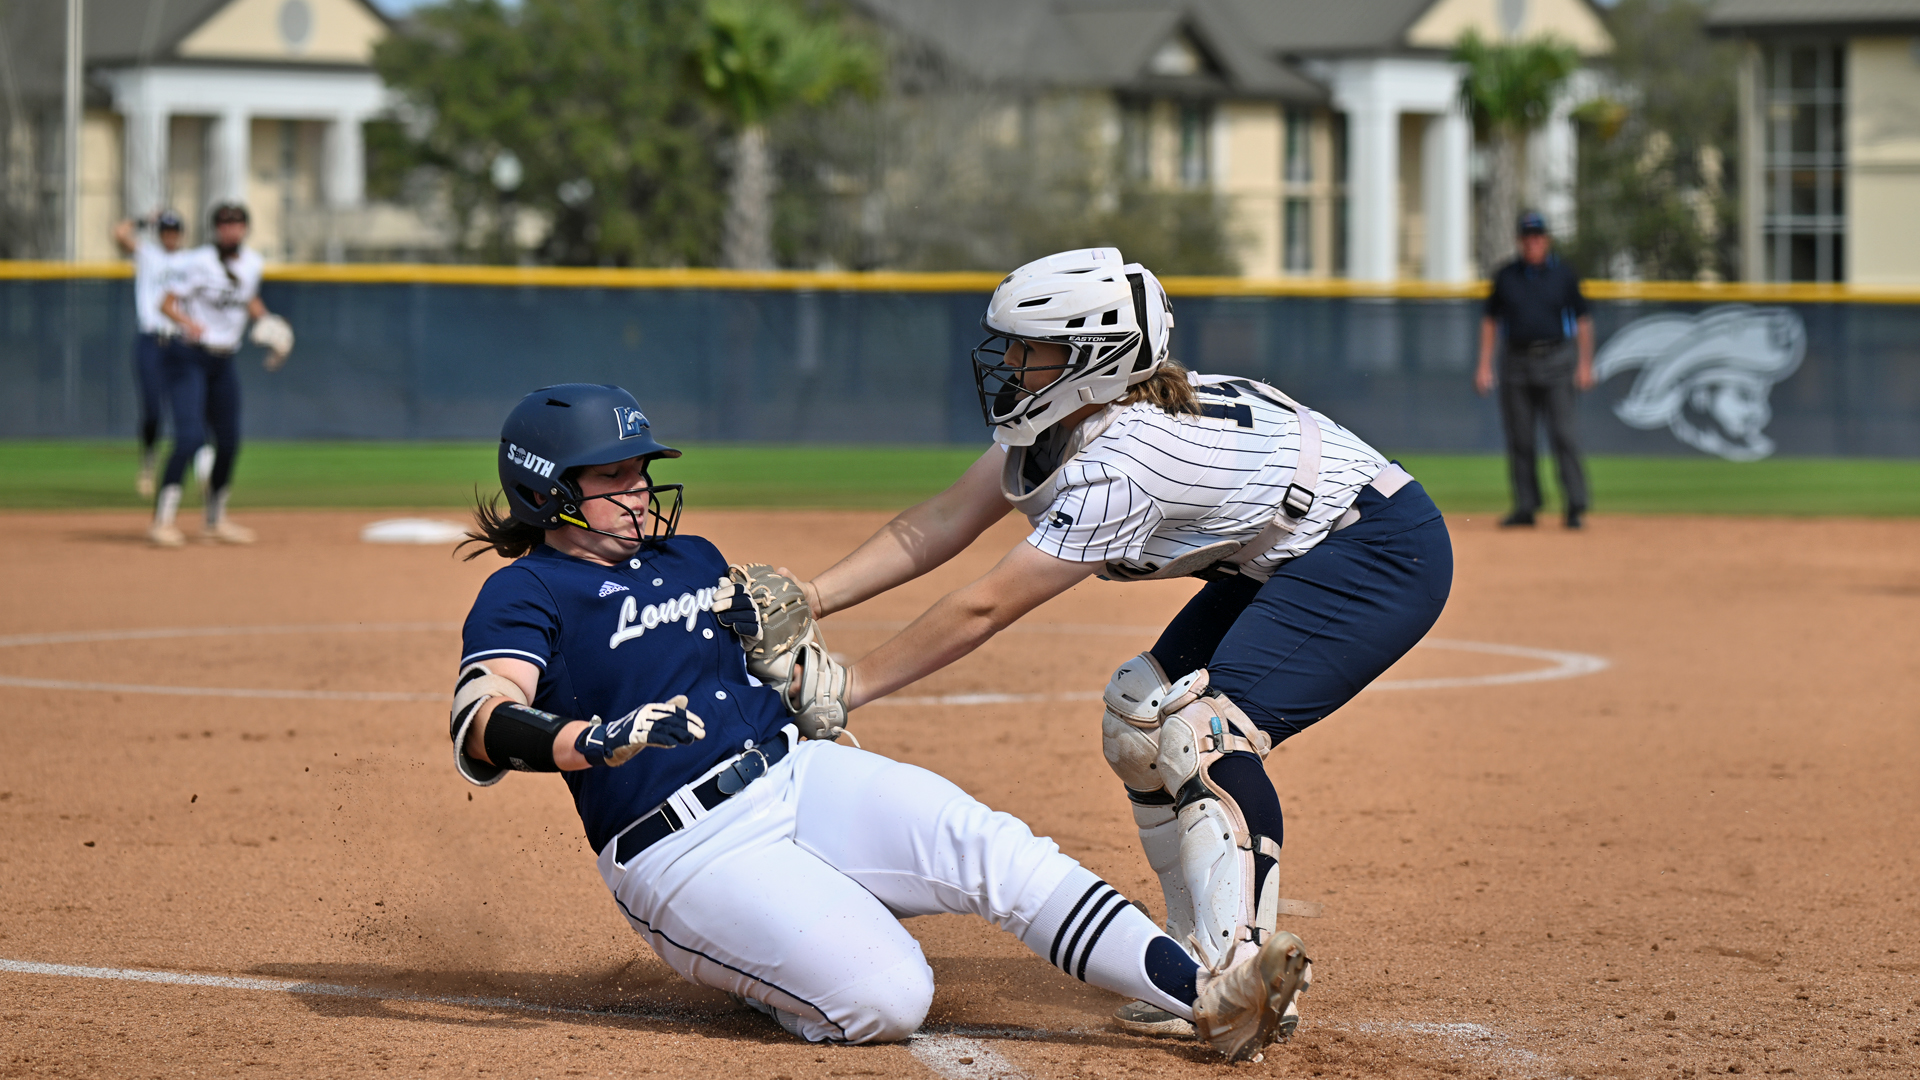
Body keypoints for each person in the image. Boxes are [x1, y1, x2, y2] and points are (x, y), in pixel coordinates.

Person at [447, 382, 1311, 1061]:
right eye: (611, 478)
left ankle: (1210, 996)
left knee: (996, 849)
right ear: (548, 490)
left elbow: (762, 669)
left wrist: (789, 668)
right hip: (683, 848)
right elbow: (482, 717)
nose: (639, 491)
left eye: (640, 471)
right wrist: (585, 740)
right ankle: (766, 971)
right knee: (890, 1000)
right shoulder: (526, 591)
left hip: (795, 772)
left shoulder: (693, 558)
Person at [773, 248, 1454, 1040]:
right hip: (1296, 545)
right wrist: (810, 598)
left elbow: (985, 606)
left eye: (1033, 350)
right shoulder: (1064, 422)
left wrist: (850, 684)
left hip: (1377, 550)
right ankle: (1193, 955)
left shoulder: (1124, 461)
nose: (1012, 364)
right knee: (1137, 718)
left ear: (1093, 363)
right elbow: (938, 522)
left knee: (1203, 734)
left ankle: (1242, 980)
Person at [151, 202, 276, 547]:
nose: (230, 229)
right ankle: (162, 521)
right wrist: (188, 323)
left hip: (223, 361)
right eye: (224, 224)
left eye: (236, 224)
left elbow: (249, 298)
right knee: (189, 438)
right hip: (189, 357)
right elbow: (166, 304)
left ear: (245, 229)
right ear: (216, 229)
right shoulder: (199, 262)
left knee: (230, 442)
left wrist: (269, 323)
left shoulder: (252, 264)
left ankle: (215, 520)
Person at [1474, 210, 1595, 529]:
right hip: (1515, 361)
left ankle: (1575, 505)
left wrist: (1585, 364)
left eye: (1538, 236)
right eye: (1527, 237)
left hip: (1557, 359)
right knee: (1521, 438)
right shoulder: (1506, 276)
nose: (1533, 242)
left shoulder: (1563, 274)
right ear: (1520, 240)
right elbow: (1490, 321)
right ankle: (1526, 506)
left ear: (1546, 240)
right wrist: (1484, 365)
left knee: (1564, 434)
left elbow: (1582, 320)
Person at [112, 210, 186, 498]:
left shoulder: (191, 261)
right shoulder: (148, 254)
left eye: (174, 230)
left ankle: (200, 468)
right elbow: (119, 233)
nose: (170, 235)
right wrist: (145, 220)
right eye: (165, 230)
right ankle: (148, 463)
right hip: (151, 339)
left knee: (189, 408)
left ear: (181, 234)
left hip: (180, 340)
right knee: (153, 409)